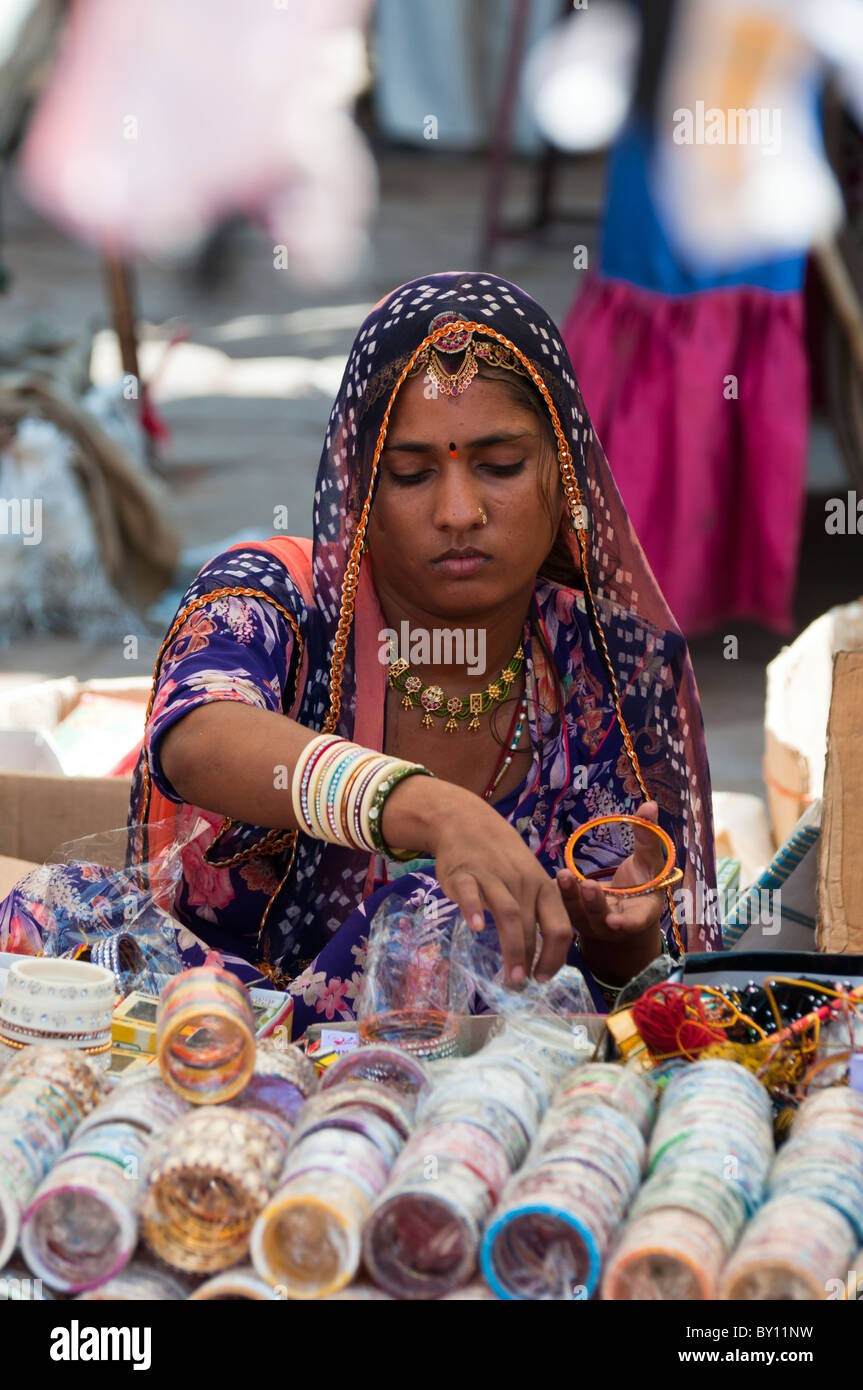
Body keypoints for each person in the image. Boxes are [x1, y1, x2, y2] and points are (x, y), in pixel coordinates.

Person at [129, 271, 719, 1034]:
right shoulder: (275, 598)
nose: (457, 513)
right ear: (360, 487)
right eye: (409, 474)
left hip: (481, 1096)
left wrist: (620, 938)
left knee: (448, 926)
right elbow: (197, 735)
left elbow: (644, 992)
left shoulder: (617, 667)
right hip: (220, 1046)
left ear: (562, 473)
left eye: (500, 466)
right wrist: (431, 810)